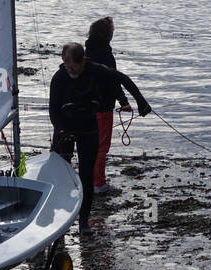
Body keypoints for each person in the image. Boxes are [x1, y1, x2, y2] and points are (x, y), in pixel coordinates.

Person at [49, 42, 151, 232]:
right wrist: (63, 131)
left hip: (88, 130)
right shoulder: (59, 77)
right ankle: (58, 223)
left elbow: (122, 78)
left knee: (87, 176)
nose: (71, 69)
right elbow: (53, 110)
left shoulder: (94, 70)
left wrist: (141, 101)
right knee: (60, 176)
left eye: (74, 66)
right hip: (64, 131)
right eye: (67, 64)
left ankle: (83, 222)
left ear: (82, 62)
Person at [84, 16, 137, 195]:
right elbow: (114, 80)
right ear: (107, 35)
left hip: (88, 107)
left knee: (91, 145)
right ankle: (98, 183)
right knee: (102, 145)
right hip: (104, 106)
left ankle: (89, 179)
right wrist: (124, 102)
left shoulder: (86, 52)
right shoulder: (106, 54)